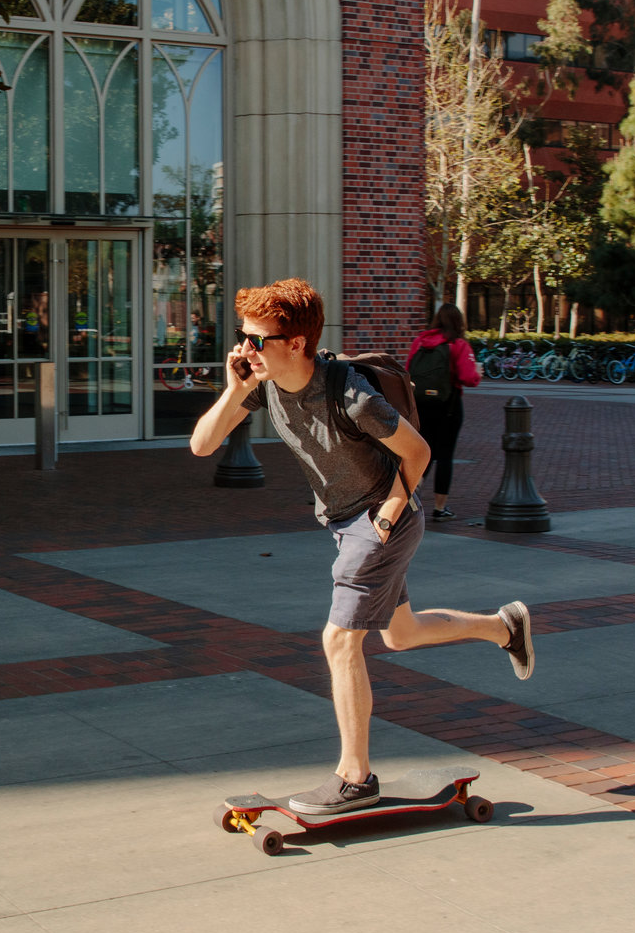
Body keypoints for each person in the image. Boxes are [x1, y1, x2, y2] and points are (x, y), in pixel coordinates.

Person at [189, 279, 533, 816]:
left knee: (339, 641)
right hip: (345, 524)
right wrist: (234, 388)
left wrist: (390, 512)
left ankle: (355, 778)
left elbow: (417, 453)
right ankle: (503, 626)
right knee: (401, 634)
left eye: (257, 339)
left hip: (379, 521)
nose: (244, 348)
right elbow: (202, 443)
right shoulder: (264, 383)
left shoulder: (349, 394)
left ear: (296, 342)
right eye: (243, 337)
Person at [406, 303, 480, 520]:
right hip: (449, 406)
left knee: (423, 451)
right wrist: (477, 374)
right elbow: (468, 378)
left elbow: (409, 370)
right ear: (459, 322)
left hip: (421, 405)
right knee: (445, 455)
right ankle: (440, 508)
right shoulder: (458, 344)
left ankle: (412, 493)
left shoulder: (420, 341)